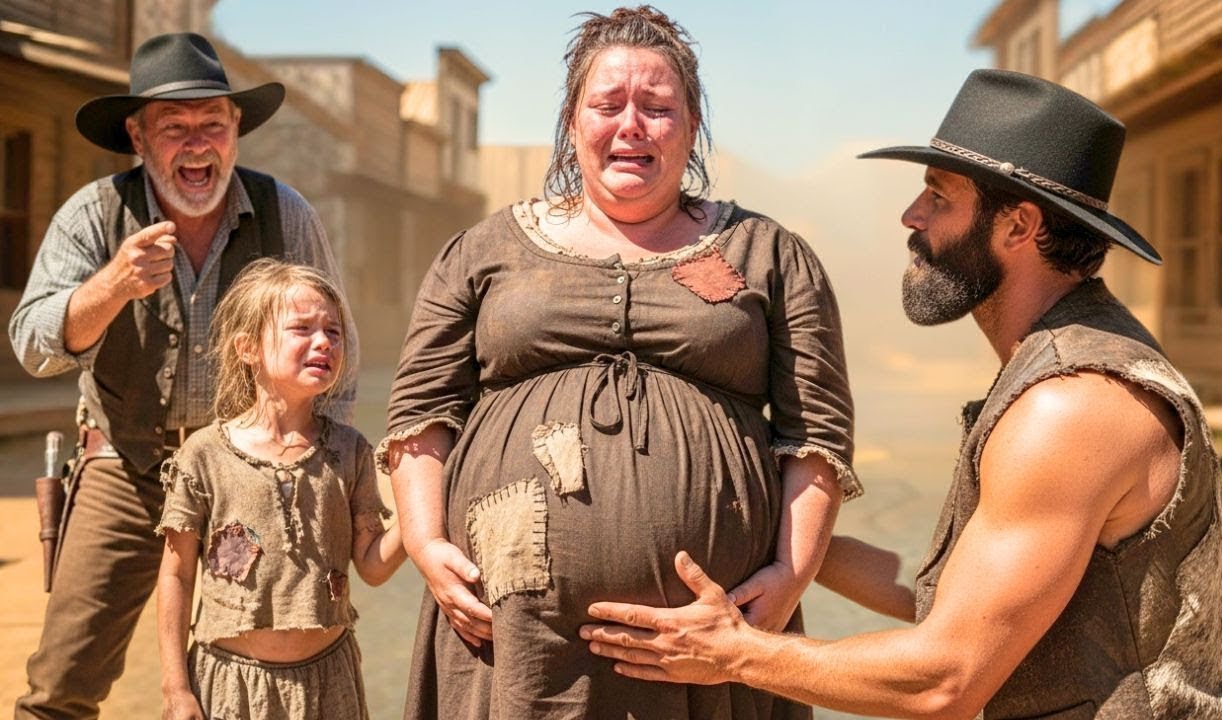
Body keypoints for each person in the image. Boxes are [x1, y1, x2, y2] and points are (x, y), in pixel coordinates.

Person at [581, 69, 1222, 720]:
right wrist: (763, 524)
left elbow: (946, 676)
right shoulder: (1061, 364)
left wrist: (735, 654)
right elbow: (955, 589)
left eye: (940, 196)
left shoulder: (1073, 404)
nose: (912, 216)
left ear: (1019, 226)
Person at [381, 5, 857, 718]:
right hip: (510, 632)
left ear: (692, 127)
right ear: (574, 124)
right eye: (607, 104)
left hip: (710, 637)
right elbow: (421, 411)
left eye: (658, 107)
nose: (631, 123)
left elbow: (815, 435)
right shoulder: (484, 249)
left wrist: (792, 572)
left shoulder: (769, 254)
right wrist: (423, 541)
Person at [7, 32, 356, 718]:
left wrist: (325, 471)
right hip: (128, 468)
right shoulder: (94, 214)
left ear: (235, 133)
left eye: (213, 125)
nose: (197, 145)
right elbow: (32, 346)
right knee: (61, 685)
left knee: (273, 674)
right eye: (175, 128)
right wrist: (110, 287)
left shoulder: (286, 214)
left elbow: (336, 359)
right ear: (137, 137)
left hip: (254, 477)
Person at [154, 259, 403, 720]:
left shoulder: (349, 452)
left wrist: (416, 518)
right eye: (302, 328)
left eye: (334, 331)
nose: (324, 341)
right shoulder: (205, 455)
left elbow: (370, 567)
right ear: (248, 348)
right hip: (229, 683)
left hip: (329, 684)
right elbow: (176, 576)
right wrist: (176, 688)